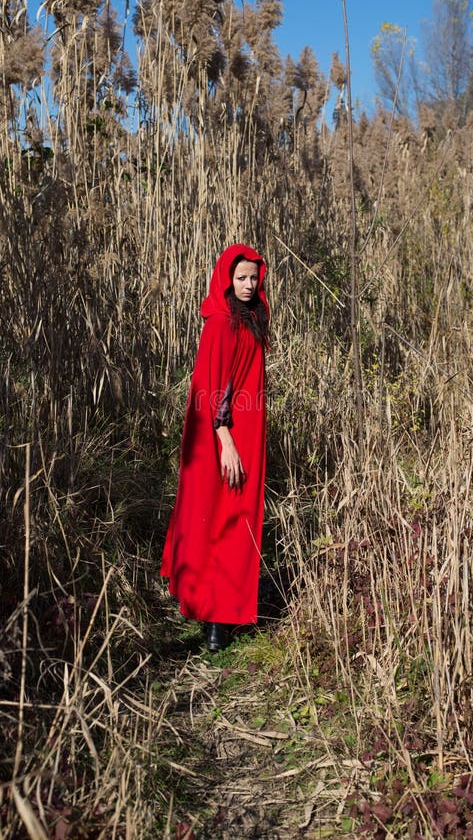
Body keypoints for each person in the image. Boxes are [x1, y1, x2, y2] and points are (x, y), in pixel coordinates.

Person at [160, 243, 269, 652]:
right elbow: (211, 386)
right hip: (221, 433)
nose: (247, 284)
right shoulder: (220, 323)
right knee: (218, 516)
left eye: (253, 278)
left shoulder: (254, 317)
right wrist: (225, 438)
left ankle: (225, 610)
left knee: (237, 518)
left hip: (247, 428)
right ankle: (214, 619)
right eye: (240, 278)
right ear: (226, 278)